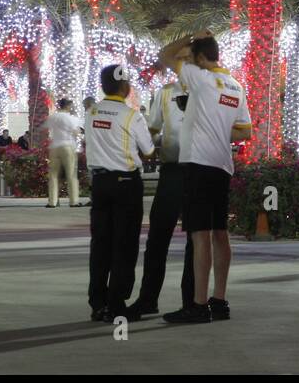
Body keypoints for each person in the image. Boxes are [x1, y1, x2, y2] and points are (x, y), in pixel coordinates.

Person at [157, 30, 252, 324]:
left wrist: (187, 37)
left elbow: (165, 55)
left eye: (192, 57)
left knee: (200, 236)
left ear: (199, 58)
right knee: (220, 233)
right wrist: (217, 128)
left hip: (197, 164)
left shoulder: (201, 78)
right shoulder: (235, 86)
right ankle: (219, 300)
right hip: (222, 166)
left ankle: (198, 305)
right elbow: (245, 131)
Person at [85, 64, 155, 322]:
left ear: (104, 86)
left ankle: (97, 302)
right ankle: (117, 303)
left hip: (100, 185)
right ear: (125, 87)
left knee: (100, 243)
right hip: (126, 184)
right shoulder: (131, 115)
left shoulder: (91, 112)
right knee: (124, 245)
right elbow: (148, 151)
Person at [126, 76, 195, 320]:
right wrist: (147, 140)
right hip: (172, 170)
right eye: (181, 59)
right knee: (157, 237)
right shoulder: (165, 92)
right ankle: (148, 299)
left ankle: (192, 302)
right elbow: (153, 127)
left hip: (200, 169)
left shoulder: (210, 86)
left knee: (196, 240)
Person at [43, 98, 84, 208]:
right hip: (67, 146)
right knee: (71, 174)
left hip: (54, 147)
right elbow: (77, 132)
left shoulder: (53, 117)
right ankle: (73, 201)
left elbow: (45, 127)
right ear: (68, 106)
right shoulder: (71, 118)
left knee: (53, 175)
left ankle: (52, 202)